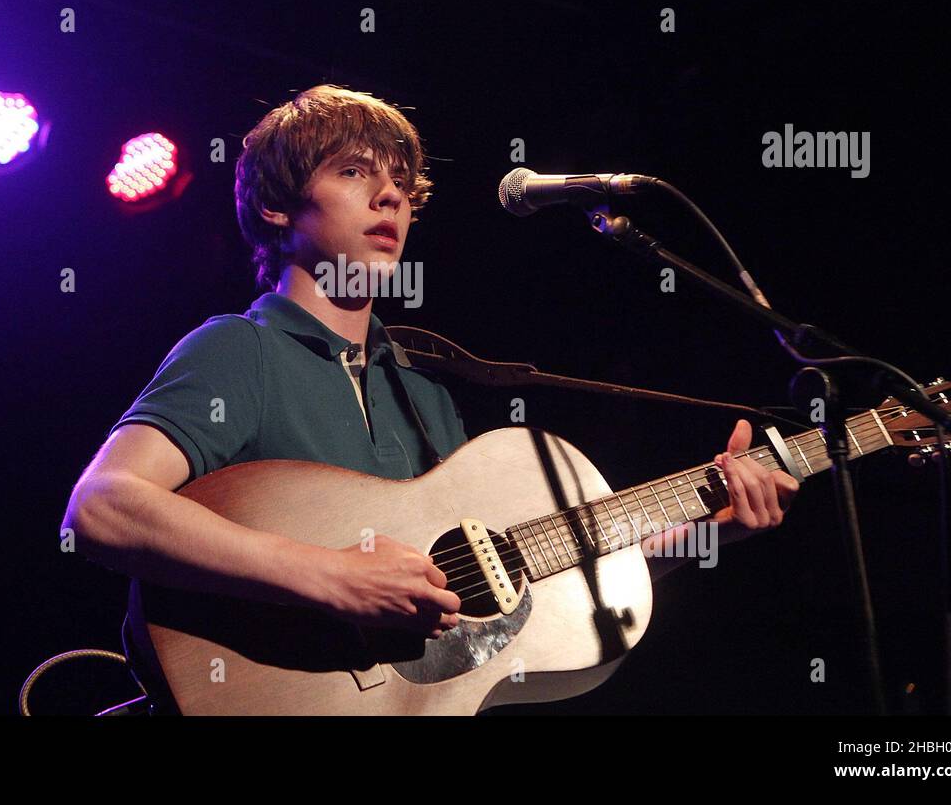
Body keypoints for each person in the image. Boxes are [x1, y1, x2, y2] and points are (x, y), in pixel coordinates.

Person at [60, 85, 800, 710]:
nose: (391, 194)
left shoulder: (425, 391)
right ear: (280, 207)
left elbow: (508, 596)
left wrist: (713, 523)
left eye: (403, 184)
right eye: (354, 171)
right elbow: (103, 506)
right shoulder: (239, 350)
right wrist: (331, 575)